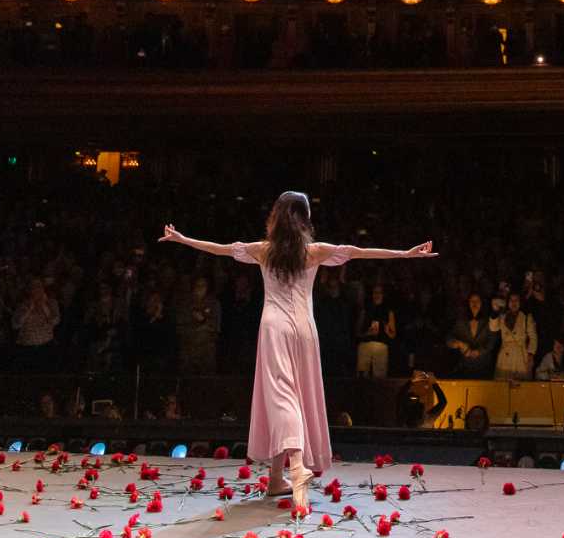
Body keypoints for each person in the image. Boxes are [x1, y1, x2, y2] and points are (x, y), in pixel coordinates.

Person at [160, 191, 436, 509]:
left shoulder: (264, 250)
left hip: (275, 327)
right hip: (305, 330)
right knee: (291, 397)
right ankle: (277, 480)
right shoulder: (314, 251)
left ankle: (297, 463)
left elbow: (220, 250)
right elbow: (360, 252)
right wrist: (406, 254)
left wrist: (182, 239)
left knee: (282, 397)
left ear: (276, 217)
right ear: (304, 220)